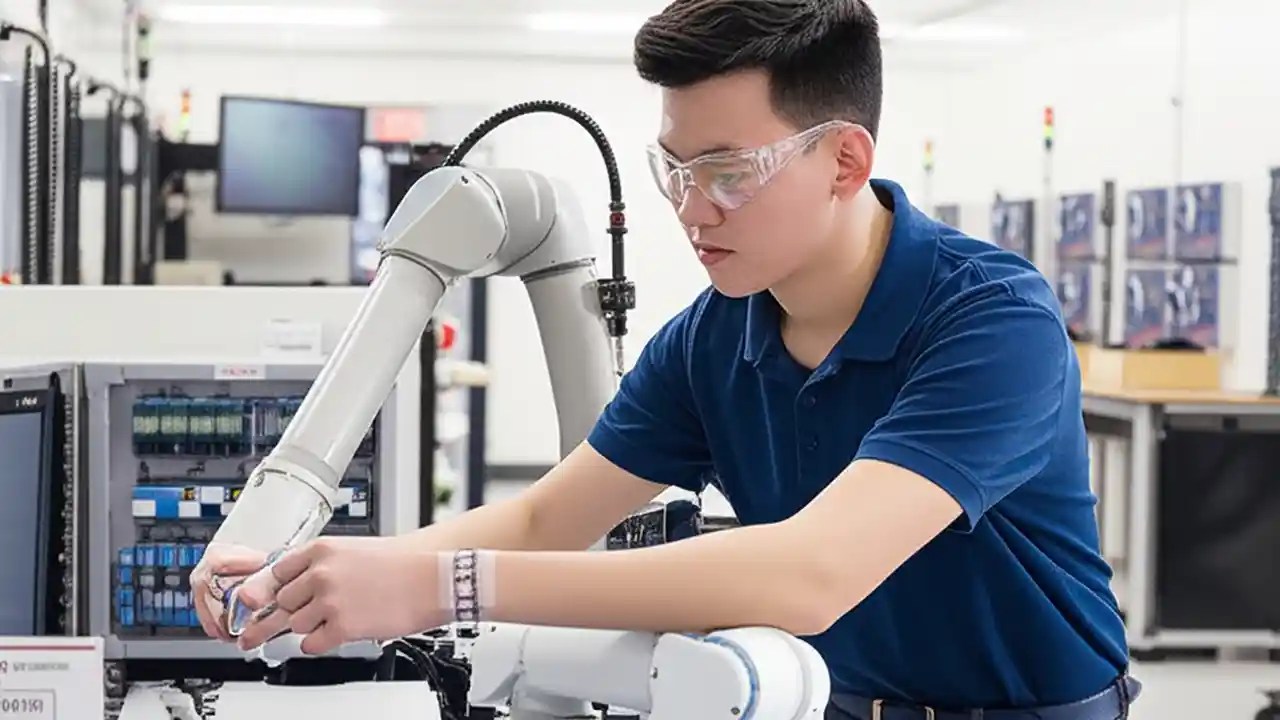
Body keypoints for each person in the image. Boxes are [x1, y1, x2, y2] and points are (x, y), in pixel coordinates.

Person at [191, 1, 1140, 717]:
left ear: (845, 162)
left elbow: (811, 575)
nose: (691, 210)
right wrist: (311, 572)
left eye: (728, 173)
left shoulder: (991, 322)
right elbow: (548, 513)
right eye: (675, 171)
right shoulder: (714, 336)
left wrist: (439, 586)